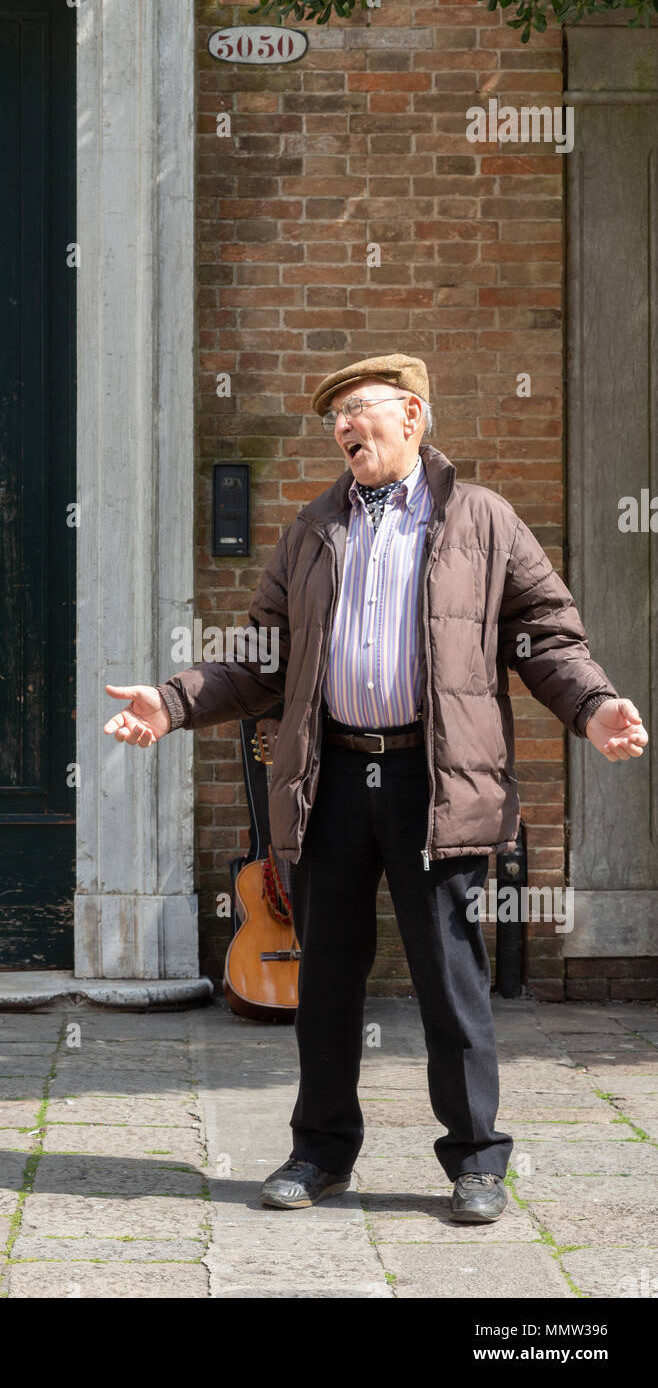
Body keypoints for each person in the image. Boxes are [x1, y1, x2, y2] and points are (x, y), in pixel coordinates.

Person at [102, 353, 649, 1222]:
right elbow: (263, 657)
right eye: (334, 420)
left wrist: (593, 707)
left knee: (449, 977)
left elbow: (545, 636)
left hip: (434, 778)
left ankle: (475, 1161)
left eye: (359, 410)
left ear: (413, 416)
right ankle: (320, 1154)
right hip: (330, 778)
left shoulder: (483, 521)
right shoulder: (314, 529)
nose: (345, 429)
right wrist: (170, 703)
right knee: (326, 982)